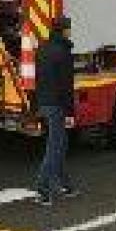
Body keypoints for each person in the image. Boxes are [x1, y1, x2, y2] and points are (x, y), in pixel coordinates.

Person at [34, 15, 78, 206]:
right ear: (64, 30)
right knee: (55, 147)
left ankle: (64, 184)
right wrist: (70, 112)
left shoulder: (43, 49)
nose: (71, 31)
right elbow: (66, 86)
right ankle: (43, 189)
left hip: (44, 101)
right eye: (69, 28)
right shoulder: (64, 53)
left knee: (60, 144)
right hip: (57, 105)